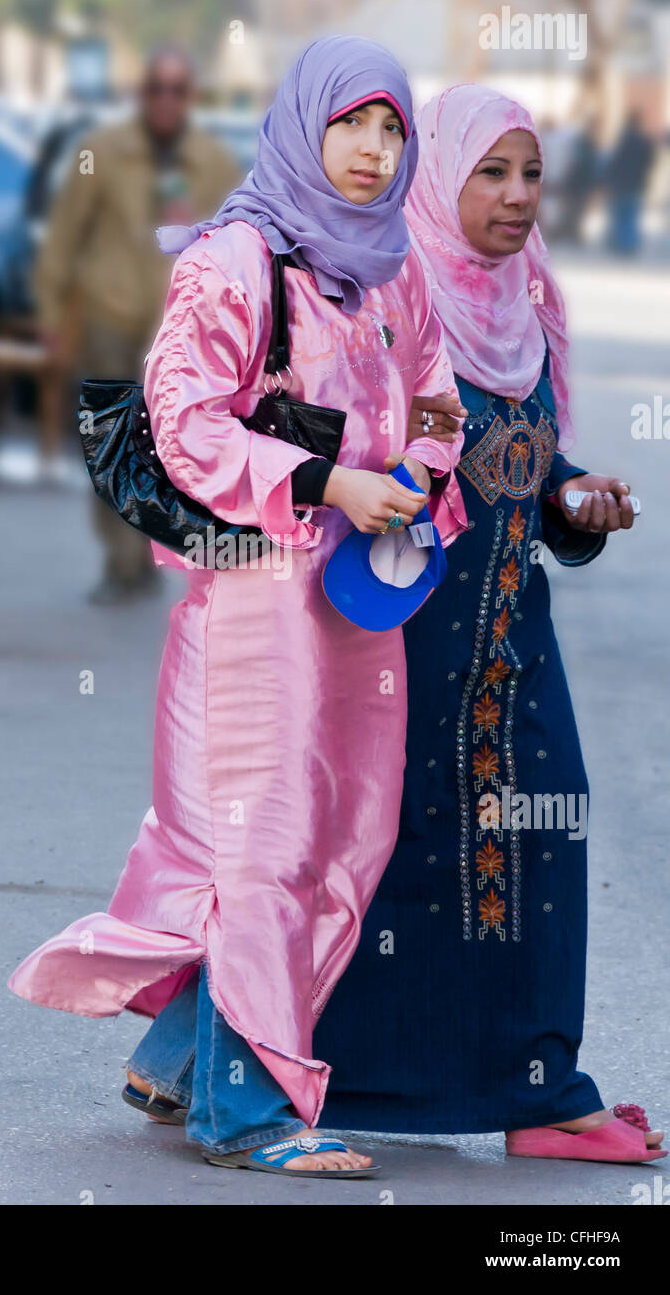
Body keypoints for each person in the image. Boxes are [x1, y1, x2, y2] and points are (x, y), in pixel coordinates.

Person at [8, 36, 466, 1178]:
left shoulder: (393, 265)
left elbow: (436, 396)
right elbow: (185, 421)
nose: (368, 152)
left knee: (350, 836)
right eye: (348, 124)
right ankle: (245, 1104)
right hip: (259, 601)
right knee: (263, 839)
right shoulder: (233, 261)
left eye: (389, 130)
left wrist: (417, 466)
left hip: (360, 600)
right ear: (301, 124)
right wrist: (322, 479)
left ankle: (179, 1053)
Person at [315, 84, 665, 1164]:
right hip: (400, 640)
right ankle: (252, 1061)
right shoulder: (394, 300)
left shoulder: (526, 300)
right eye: (490, 173)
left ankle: (539, 1091)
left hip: (511, 643)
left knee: (540, 840)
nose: (516, 199)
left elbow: (530, 467)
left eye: (530, 176)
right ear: (439, 178)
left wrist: (573, 501)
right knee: (372, 859)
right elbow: (358, 461)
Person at [34, 47, 240, 603]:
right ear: (141, 93)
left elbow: (235, 245)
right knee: (110, 439)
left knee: (165, 446)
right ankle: (121, 563)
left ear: (190, 97)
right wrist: (51, 314)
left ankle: (148, 550)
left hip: (179, 325)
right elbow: (63, 235)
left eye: (178, 90)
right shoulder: (100, 153)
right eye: (156, 88)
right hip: (109, 315)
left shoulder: (214, 162)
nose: (166, 100)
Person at [603, 110, 655, 257]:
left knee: (619, 213)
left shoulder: (624, 140)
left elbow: (615, 162)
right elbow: (649, 163)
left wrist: (609, 179)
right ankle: (628, 244)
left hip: (621, 183)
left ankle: (619, 243)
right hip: (636, 183)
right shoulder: (644, 142)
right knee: (631, 215)